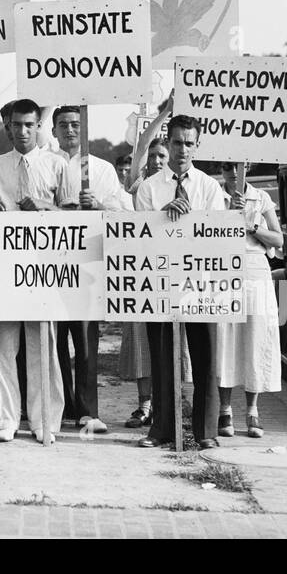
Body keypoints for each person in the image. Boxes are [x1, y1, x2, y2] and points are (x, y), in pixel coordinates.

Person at [133, 114, 229, 449]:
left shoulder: (208, 187)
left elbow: (217, 235)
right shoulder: (149, 188)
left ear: (197, 145)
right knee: (162, 359)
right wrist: (165, 216)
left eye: (189, 143)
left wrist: (190, 219)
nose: (183, 149)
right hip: (160, 282)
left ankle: (206, 432)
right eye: (177, 142)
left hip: (200, 284)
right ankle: (162, 429)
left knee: (206, 358)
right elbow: (141, 237)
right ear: (168, 143)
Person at [0, 98, 67, 444]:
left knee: (42, 344)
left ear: (38, 126)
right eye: (16, 125)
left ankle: (45, 420)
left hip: (43, 268)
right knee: (1, 346)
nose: (22, 131)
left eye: (29, 125)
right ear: (8, 127)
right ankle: (5, 418)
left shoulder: (57, 164)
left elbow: (73, 215)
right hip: (3, 267)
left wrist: (44, 207)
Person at [52, 105, 127, 435]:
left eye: (75, 124)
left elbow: (122, 211)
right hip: (50, 263)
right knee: (53, 340)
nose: (70, 130)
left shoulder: (103, 169)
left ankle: (87, 410)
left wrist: (98, 206)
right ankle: (59, 404)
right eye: (63, 125)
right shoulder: (45, 163)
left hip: (87, 265)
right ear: (53, 131)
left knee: (84, 341)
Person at [216, 162, 284, 439]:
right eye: (227, 166)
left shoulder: (261, 197)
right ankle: (225, 410)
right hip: (222, 270)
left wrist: (252, 224)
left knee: (255, 336)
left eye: (239, 166)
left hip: (255, 270)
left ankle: (252, 410)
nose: (234, 172)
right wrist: (229, 216)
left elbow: (278, 240)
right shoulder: (213, 194)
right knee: (224, 337)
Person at [120, 139, 166, 425]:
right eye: (152, 156)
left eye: (162, 156)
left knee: (169, 343)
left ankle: (165, 405)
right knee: (141, 341)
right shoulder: (138, 187)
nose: (156, 161)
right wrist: (160, 117)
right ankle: (144, 404)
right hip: (140, 272)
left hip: (170, 273)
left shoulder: (179, 186)